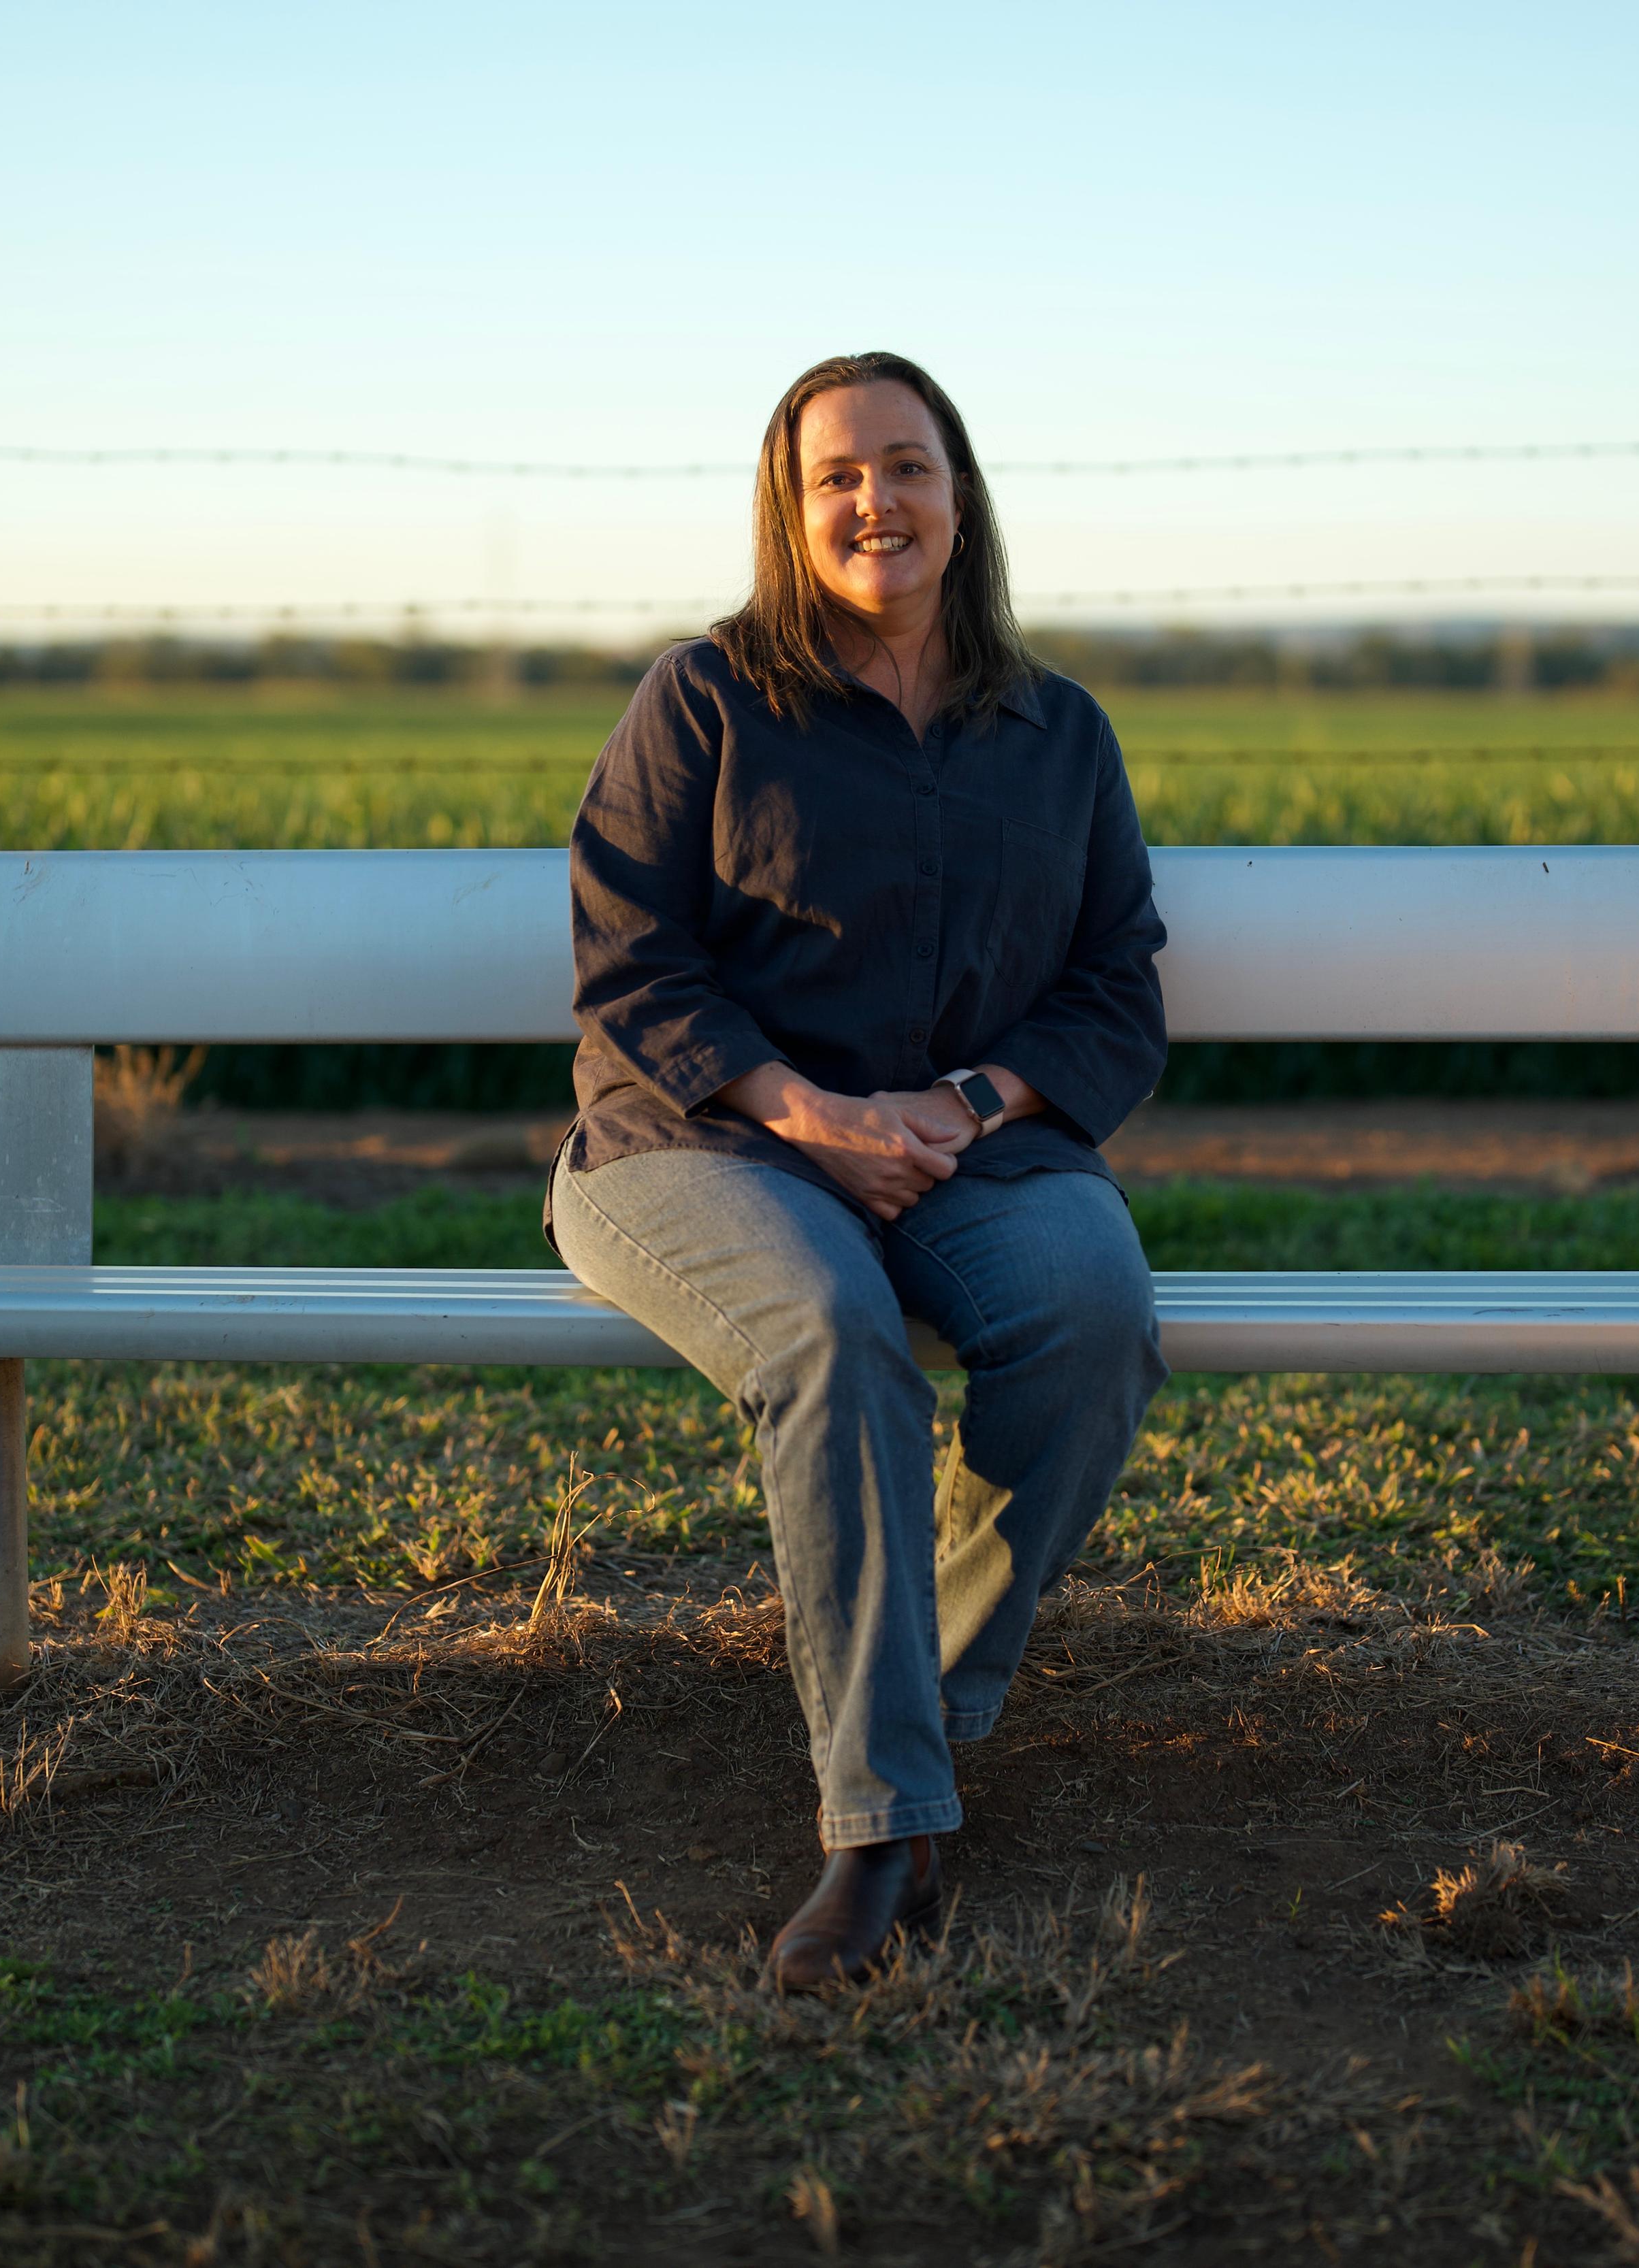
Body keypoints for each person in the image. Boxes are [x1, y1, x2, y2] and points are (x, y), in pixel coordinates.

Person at [548, 352, 1170, 1990]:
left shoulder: (1057, 732)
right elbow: (629, 960)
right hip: (697, 1140)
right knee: (832, 1331)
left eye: (906, 465)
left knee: (1093, 1308)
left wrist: (959, 1104)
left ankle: (920, 1717)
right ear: (789, 508)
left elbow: (1115, 982)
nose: (874, 501)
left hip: (967, 1149)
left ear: (959, 497)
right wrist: (812, 1113)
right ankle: (882, 1828)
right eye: (836, 475)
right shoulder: (704, 698)